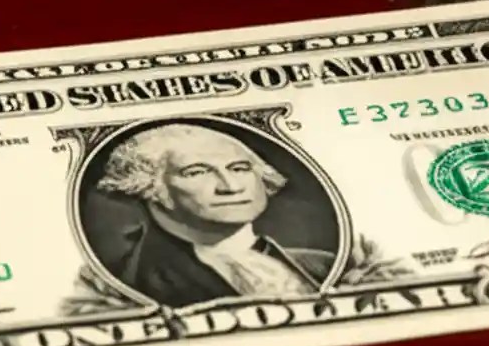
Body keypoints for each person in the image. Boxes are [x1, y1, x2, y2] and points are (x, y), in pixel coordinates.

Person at [94, 123, 335, 308]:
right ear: (147, 186)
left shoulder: (322, 264)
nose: (230, 186)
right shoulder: (129, 284)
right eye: (197, 172)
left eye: (239, 169)